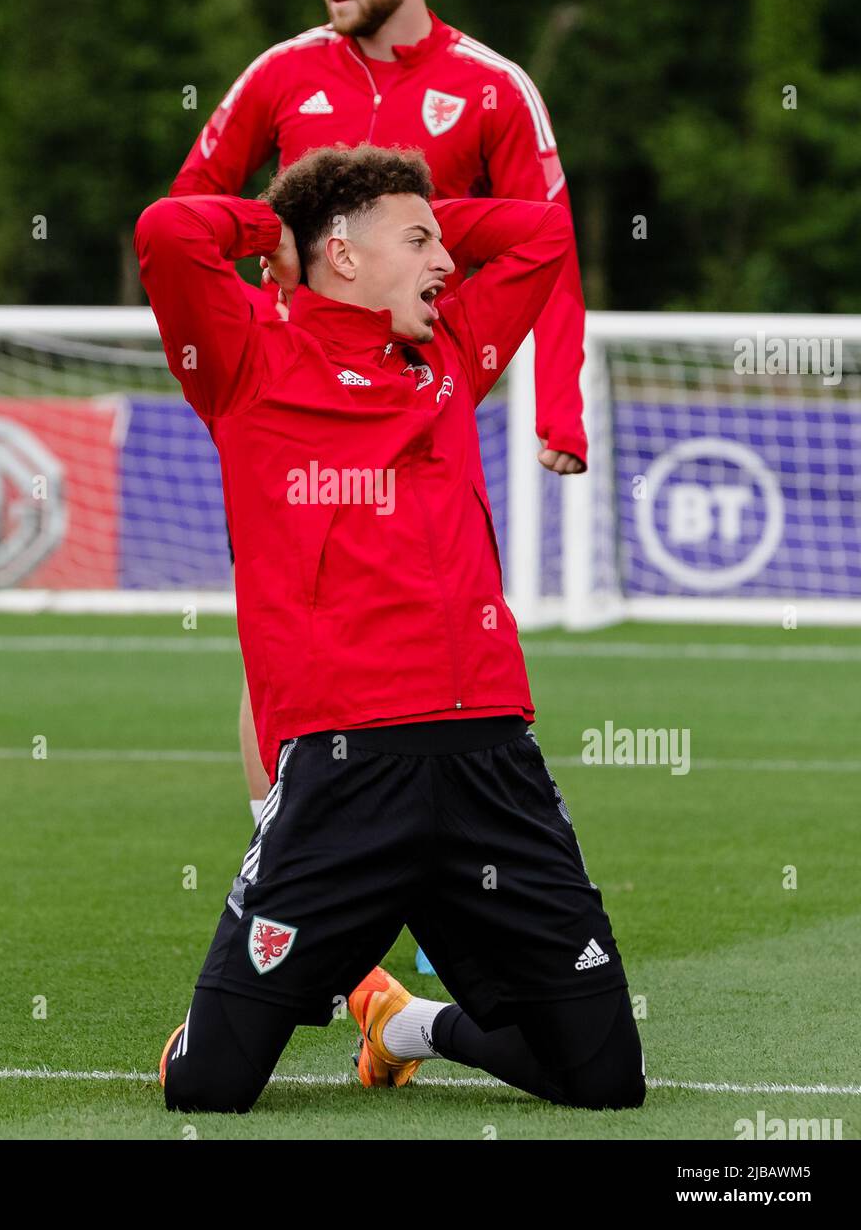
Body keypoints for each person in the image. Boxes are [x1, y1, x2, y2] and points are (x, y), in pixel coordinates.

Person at [134, 143, 644, 1114]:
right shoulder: (245, 355)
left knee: (604, 1080)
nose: (446, 262)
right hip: (345, 769)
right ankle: (301, 1009)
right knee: (210, 1090)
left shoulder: (445, 351)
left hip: (490, 756)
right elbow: (167, 229)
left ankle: (407, 1026)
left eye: (443, 243)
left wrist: (407, 212)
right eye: (419, 241)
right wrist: (273, 230)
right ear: (341, 255)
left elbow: (539, 231)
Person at [169, 0, 589, 845]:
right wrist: (246, 327)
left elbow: (550, 249)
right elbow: (191, 209)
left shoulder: (489, 87)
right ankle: (280, 862)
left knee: (451, 629)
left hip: (420, 402)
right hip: (293, 409)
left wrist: (554, 407)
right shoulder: (279, 74)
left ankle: (463, 872)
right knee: (275, 647)